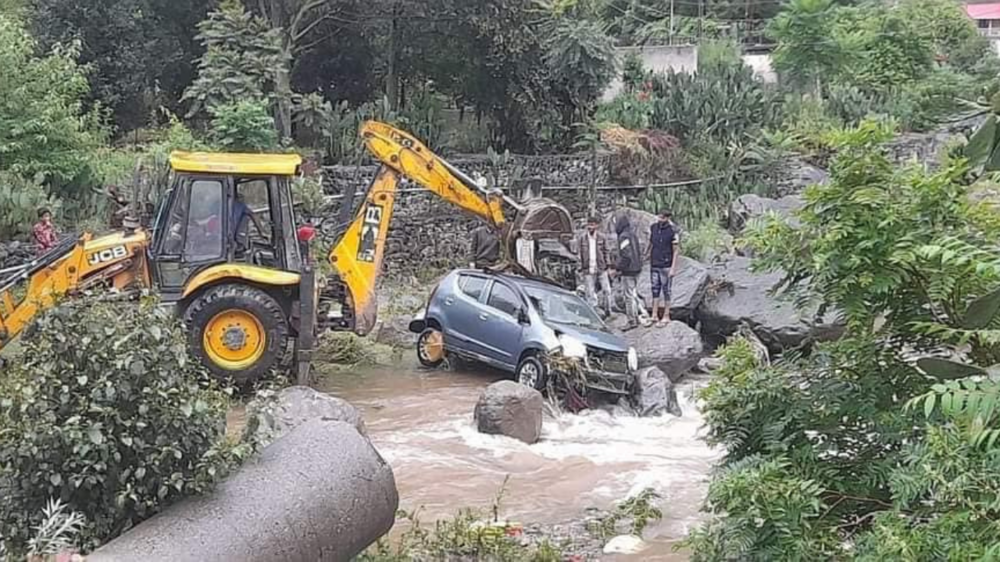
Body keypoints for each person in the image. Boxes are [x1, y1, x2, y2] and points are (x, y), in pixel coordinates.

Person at [611, 214, 649, 329]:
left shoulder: (623, 237)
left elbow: (626, 255)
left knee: (628, 297)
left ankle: (632, 321)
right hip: (637, 268)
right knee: (634, 294)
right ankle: (641, 314)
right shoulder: (633, 235)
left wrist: (617, 268)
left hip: (628, 271)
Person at [575, 215, 612, 317]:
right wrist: (580, 267)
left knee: (607, 290)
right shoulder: (582, 238)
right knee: (590, 292)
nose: (590, 227)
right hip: (588, 269)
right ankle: (594, 314)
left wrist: (608, 265)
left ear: (597, 226)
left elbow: (606, 252)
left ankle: (608, 310)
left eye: (592, 225)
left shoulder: (602, 237)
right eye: (588, 224)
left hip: (601, 268)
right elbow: (579, 254)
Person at [649, 209, 680, 326]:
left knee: (666, 290)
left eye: (662, 218)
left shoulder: (673, 230)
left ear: (667, 218)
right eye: (659, 217)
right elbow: (651, 244)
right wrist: (647, 257)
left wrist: (673, 267)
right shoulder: (653, 227)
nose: (659, 219)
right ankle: (654, 315)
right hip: (654, 263)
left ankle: (666, 315)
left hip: (666, 264)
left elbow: (676, 250)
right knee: (654, 289)